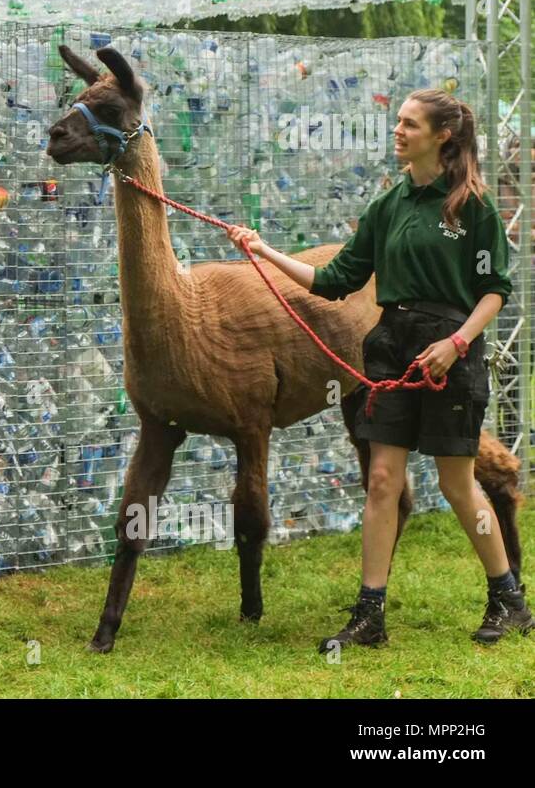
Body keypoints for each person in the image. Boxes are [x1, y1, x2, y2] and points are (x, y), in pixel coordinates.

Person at [224, 88, 527, 648]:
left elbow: (494, 292)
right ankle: (370, 616)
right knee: (382, 479)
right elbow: (333, 280)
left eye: (410, 124)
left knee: (457, 485)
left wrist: (457, 343)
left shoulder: (475, 207)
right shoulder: (387, 207)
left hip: (450, 353)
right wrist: (263, 251)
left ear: (443, 137)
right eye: (398, 122)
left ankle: (507, 597)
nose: (399, 132)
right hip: (391, 347)